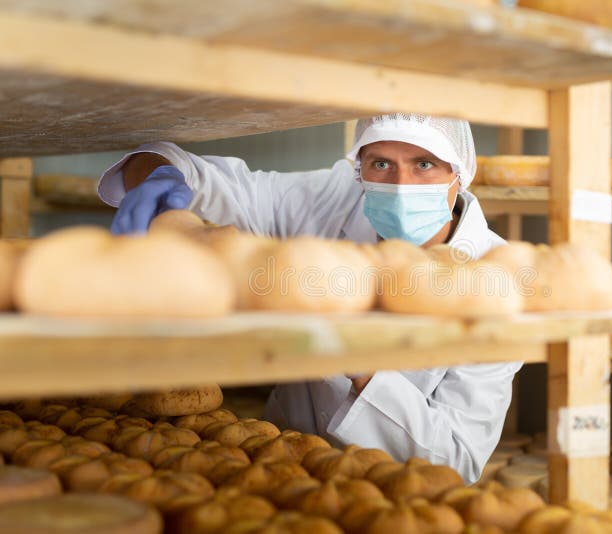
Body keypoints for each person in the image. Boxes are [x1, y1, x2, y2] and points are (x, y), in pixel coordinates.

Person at [98, 113, 521, 483]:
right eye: (381, 164)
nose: (400, 184)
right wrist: (160, 178)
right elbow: (193, 173)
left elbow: (458, 461)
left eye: (424, 164)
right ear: (359, 169)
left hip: (393, 503)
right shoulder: (333, 200)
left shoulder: (498, 280)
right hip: (276, 474)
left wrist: (361, 363)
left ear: (460, 172)